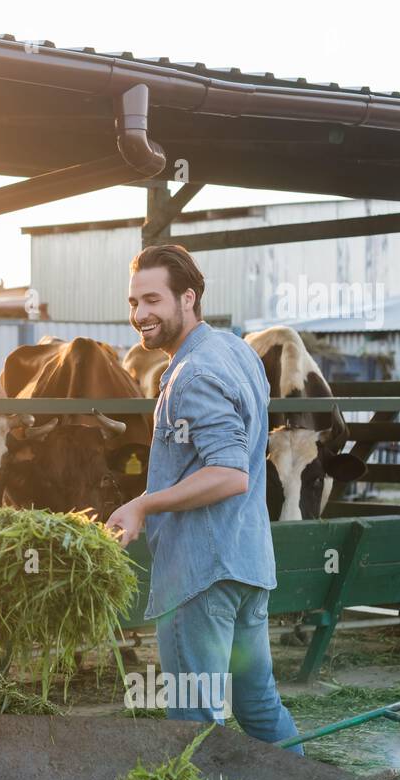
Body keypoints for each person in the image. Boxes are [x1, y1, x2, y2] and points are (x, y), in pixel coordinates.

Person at [105, 245, 303, 753]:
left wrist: (145, 504)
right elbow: (222, 462)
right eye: (133, 303)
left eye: (152, 300)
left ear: (187, 298)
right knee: (257, 702)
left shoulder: (191, 375)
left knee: (196, 716)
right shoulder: (236, 351)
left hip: (201, 574)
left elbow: (231, 473)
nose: (140, 314)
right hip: (247, 560)